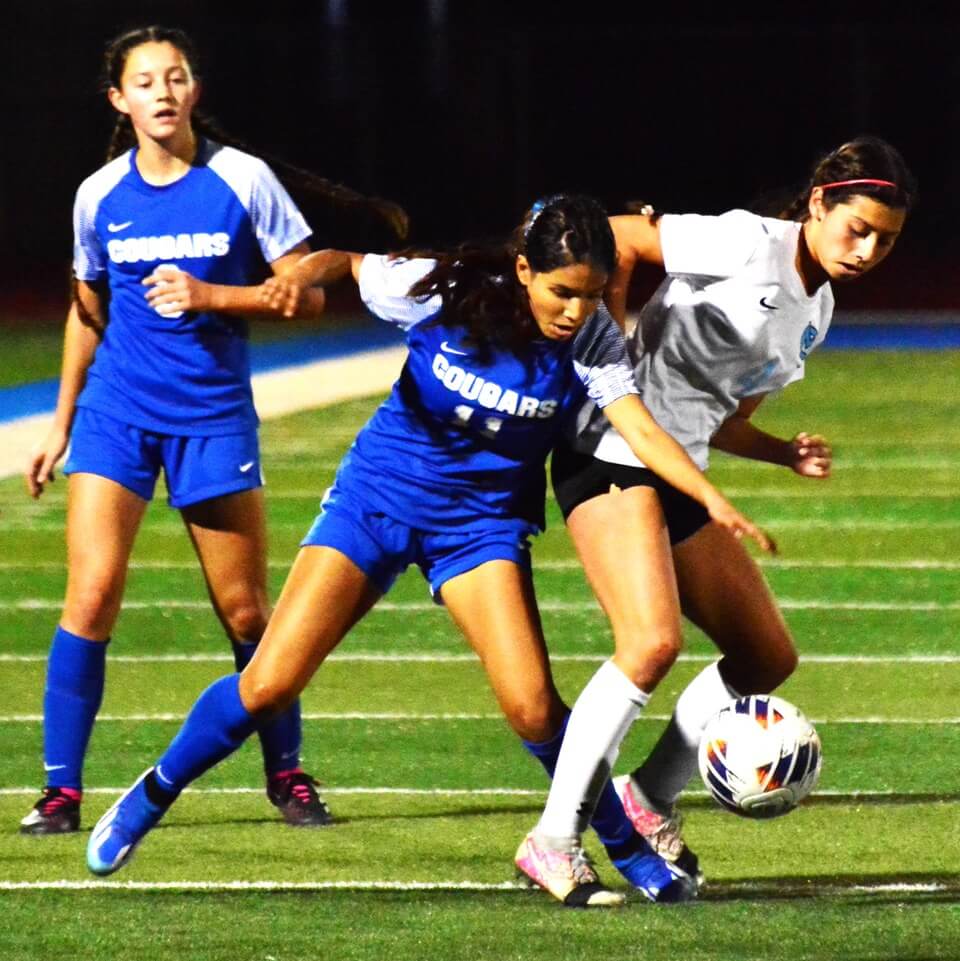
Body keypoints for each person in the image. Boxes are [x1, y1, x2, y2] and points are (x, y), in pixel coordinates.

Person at [84, 194, 771, 907]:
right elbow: (345, 263)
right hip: (376, 500)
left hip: (480, 526)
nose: (576, 310)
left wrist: (712, 498)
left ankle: (621, 843)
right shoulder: (445, 287)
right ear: (524, 269)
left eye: (592, 294)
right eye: (563, 291)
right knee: (268, 685)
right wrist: (298, 277)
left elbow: (642, 427)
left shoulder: (591, 336)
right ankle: (151, 793)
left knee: (535, 707)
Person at [20, 25, 406, 837]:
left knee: (247, 615)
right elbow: (86, 312)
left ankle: (288, 773)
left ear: (194, 91)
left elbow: (301, 293)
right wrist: (59, 424)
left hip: (213, 418)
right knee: (89, 597)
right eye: (145, 81)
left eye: (177, 77)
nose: (163, 91)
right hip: (116, 416)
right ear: (119, 101)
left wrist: (211, 297)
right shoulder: (98, 195)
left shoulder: (242, 180)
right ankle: (60, 792)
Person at [523, 136, 915, 888]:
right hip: (609, 452)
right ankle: (553, 835)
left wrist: (781, 453)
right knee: (649, 645)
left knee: (767, 656)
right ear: (816, 204)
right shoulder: (745, 242)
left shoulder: (817, 311)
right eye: (856, 227)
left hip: (678, 472)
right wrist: (603, 350)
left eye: (886, 240)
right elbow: (621, 236)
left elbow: (723, 417)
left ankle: (646, 797)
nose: (867, 249)